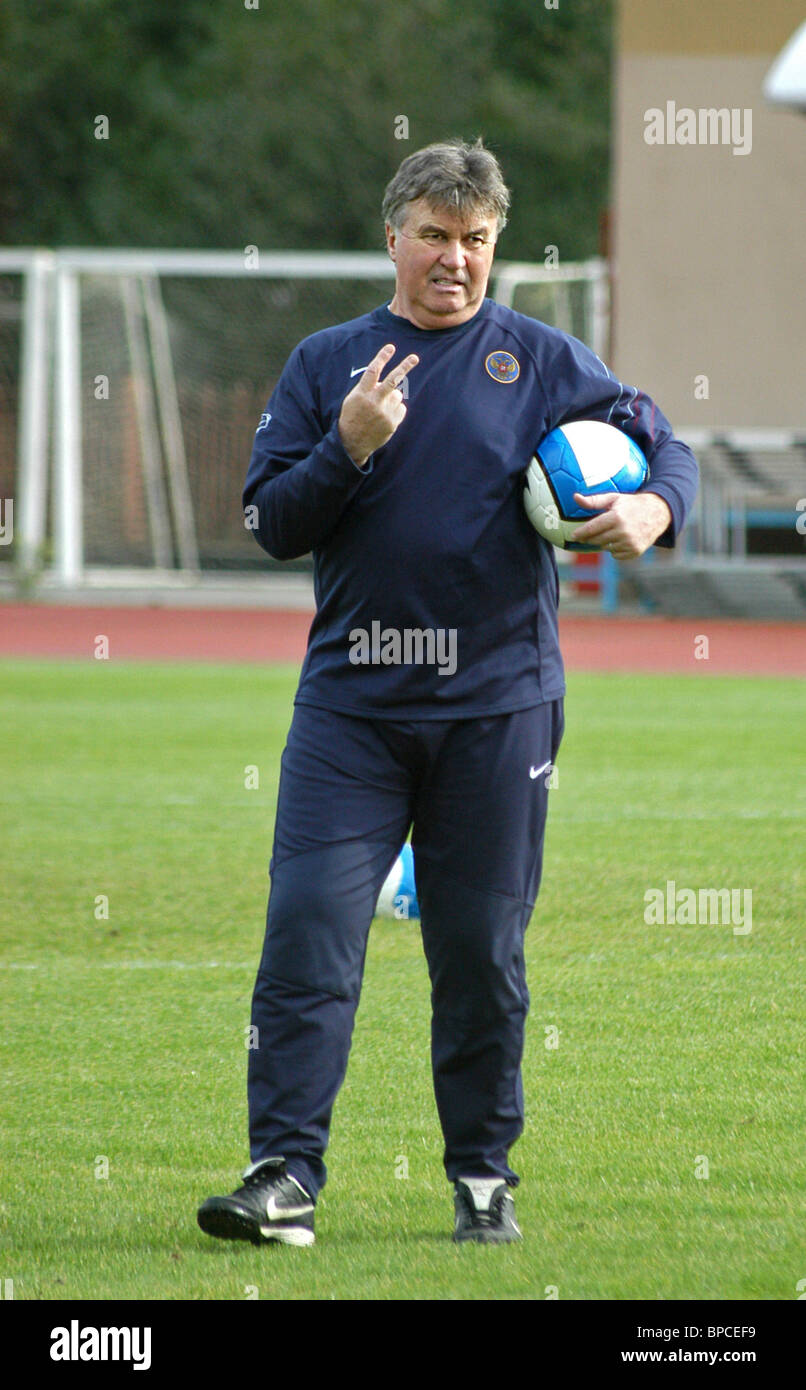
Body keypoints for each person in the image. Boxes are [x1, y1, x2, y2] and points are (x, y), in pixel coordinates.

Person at [197, 138, 698, 1247]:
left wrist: (654, 509)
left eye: (474, 241)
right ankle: (282, 1176)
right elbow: (272, 522)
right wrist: (346, 444)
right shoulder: (329, 363)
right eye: (433, 234)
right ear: (393, 237)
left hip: (497, 708)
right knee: (308, 931)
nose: (454, 260)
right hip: (350, 713)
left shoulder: (540, 361)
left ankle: (481, 1180)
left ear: (492, 247)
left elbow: (664, 447)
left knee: (478, 955)